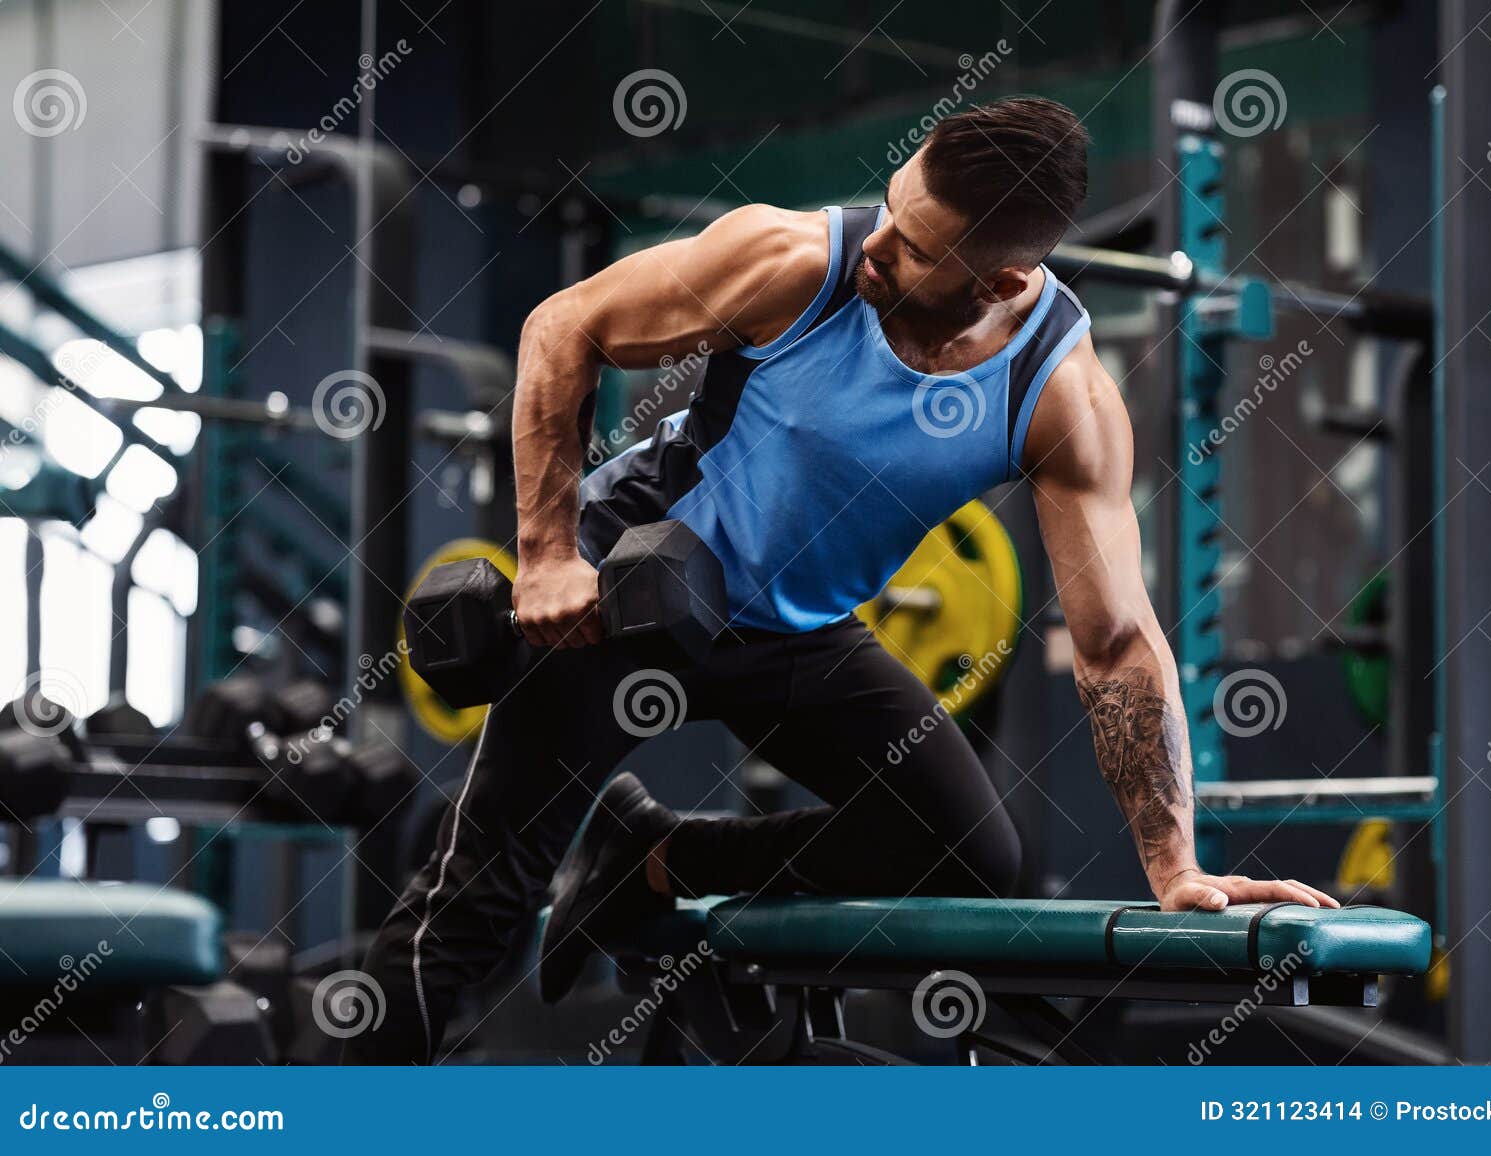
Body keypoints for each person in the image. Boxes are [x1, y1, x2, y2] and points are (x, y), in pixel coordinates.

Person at [348, 96, 1336, 1065]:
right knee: (475, 907)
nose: (876, 245)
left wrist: (1175, 865)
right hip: (630, 582)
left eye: (913, 247)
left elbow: (1115, 640)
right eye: (892, 210)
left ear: (998, 280)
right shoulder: (791, 262)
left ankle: (657, 857)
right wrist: (551, 552)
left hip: (795, 629)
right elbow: (566, 327)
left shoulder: (1059, 395)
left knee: (966, 855)